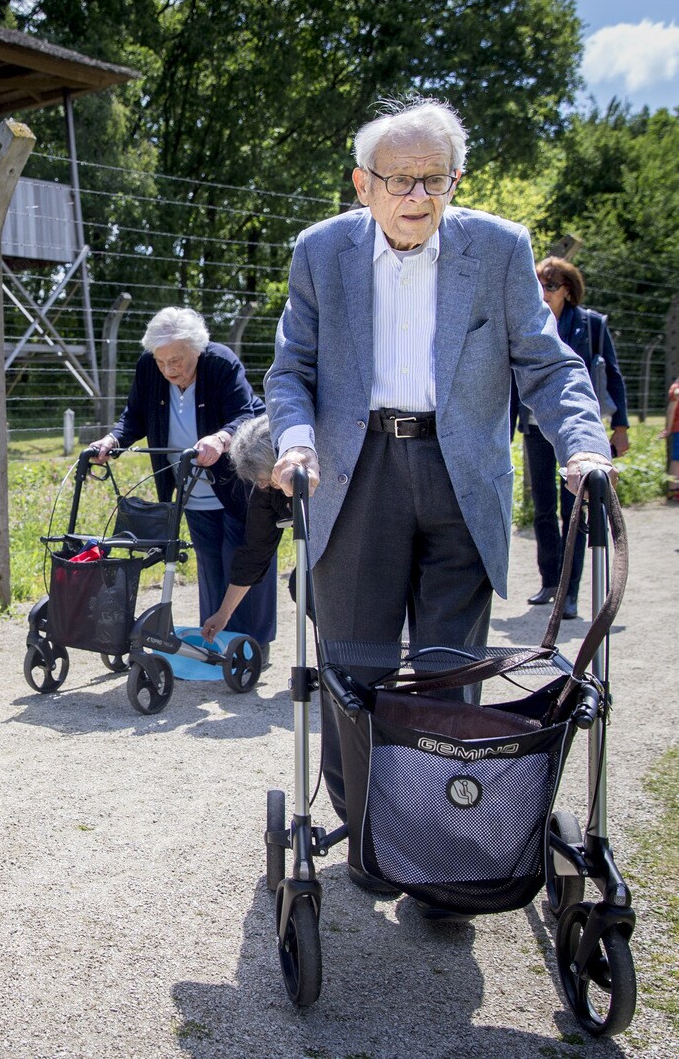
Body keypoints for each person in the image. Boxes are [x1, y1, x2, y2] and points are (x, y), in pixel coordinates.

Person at [265, 97, 613, 898]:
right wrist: (295, 437)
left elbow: (549, 366)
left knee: (452, 673)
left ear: (455, 180)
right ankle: (364, 833)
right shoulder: (321, 254)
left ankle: (437, 842)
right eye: (399, 179)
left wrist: (583, 443)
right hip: (355, 476)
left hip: (462, 479)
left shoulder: (497, 249)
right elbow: (291, 371)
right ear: (363, 185)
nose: (418, 195)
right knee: (354, 666)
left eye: (435, 178)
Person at [87, 306, 274, 655]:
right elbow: (135, 416)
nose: (169, 368)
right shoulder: (149, 368)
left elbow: (246, 414)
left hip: (237, 483)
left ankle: (253, 647)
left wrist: (220, 439)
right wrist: (111, 441)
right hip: (191, 486)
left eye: (177, 360)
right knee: (210, 565)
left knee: (245, 559)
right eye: (161, 361)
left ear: (197, 349)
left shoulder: (220, 363)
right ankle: (216, 645)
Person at [519, 257, 627, 619]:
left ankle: (570, 591)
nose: (544, 293)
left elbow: (613, 375)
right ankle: (550, 581)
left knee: (574, 510)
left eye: (551, 286)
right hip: (535, 427)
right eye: (539, 285)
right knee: (543, 509)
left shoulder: (591, 325)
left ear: (568, 289)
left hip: (576, 432)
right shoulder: (526, 320)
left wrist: (621, 427)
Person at [199, 416, 292, 644]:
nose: (262, 486)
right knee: (304, 589)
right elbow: (255, 552)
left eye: (268, 481)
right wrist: (224, 613)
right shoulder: (265, 489)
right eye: (259, 482)